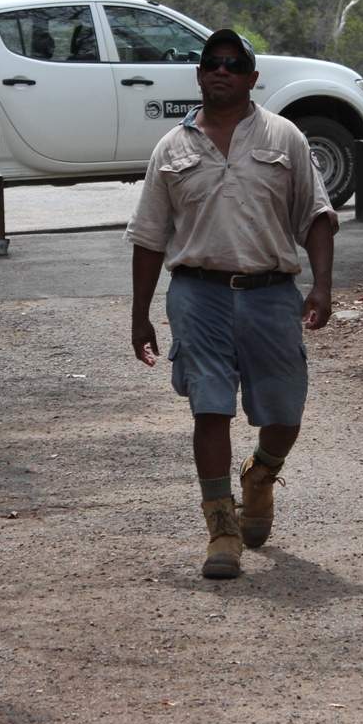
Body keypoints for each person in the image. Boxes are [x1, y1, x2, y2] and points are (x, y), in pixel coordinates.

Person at [125, 28, 338, 580]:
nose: (221, 70)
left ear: (251, 77)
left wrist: (321, 285)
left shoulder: (284, 137)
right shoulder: (171, 149)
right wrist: (139, 314)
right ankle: (221, 526)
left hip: (269, 294)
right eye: (211, 63)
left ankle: (260, 476)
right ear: (199, 75)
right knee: (210, 406)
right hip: (198, 294)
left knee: (285, 413)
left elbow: (316, 215)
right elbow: (149, 237)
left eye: (233, 63)